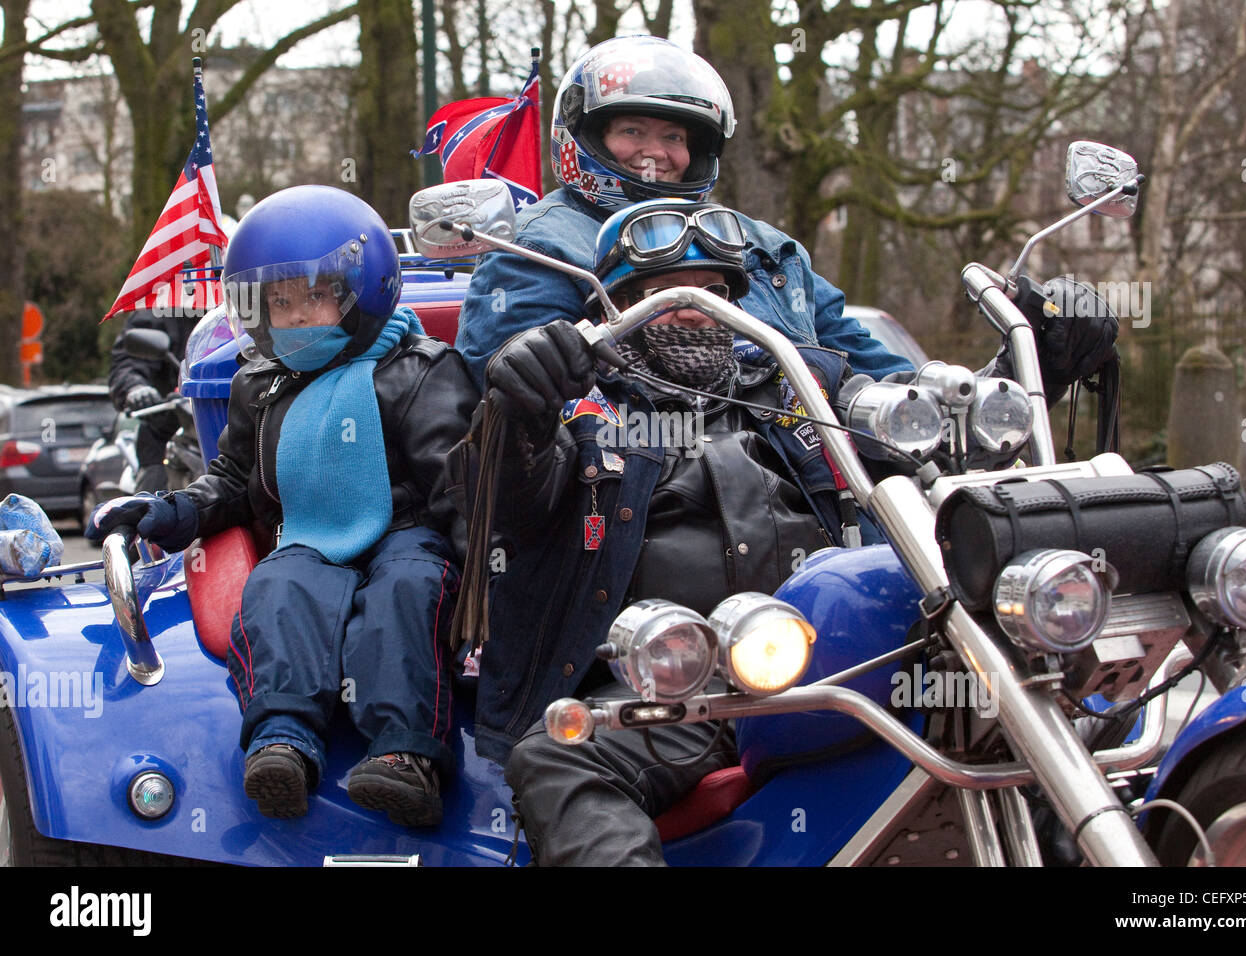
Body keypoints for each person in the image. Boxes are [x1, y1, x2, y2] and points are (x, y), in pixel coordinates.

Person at [457, 198, 913, 865]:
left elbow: (920, 429)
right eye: (666, 292)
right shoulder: (583, 410)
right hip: (676, 694)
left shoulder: (801, 387)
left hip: (848, 654)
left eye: (712, 291)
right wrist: (518, 412)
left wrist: (1008, 377)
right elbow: (505, 506)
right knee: (559, 758)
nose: (696, 307)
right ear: (618, 306)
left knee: (1009, 674)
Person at [88, 185, 480, 827]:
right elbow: (234, 479)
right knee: (275, 588)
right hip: (304, 538)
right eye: (279, 301)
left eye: (317, 295)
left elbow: (456, 486)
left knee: (407, 589)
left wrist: (492, 584)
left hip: (408, 531)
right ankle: (282, 741)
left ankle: (407, 756)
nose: (296, 316)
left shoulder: (423, 370)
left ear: (366, 290)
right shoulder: (258, 383)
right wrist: (169, 513)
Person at [454, 34, 905, 388]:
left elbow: (862, 358)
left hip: (807, 479)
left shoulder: (765, 246)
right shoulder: (538, 247)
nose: (655, 153)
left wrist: (937, 388)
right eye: (632, 130)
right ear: (585, 135)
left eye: (674, 137)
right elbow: (507, 394)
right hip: (645, 481)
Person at [107, 308, 201, 492]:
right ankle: (150, 511)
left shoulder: (240, 307)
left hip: (233, 419)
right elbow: (128, 363)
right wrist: (135, 388)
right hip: (171, 425)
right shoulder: (161, 308)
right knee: (153, 505)